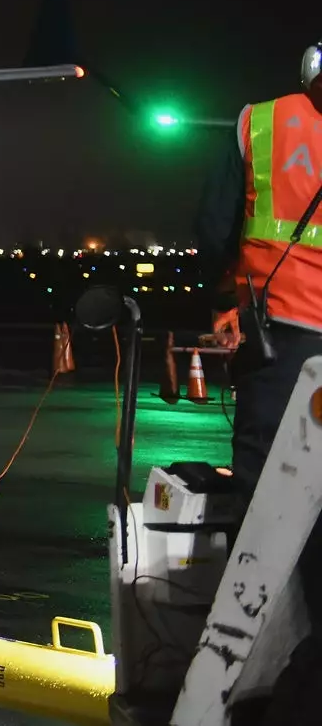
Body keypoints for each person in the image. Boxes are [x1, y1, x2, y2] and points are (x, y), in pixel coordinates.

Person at [196, 43, 322, 623]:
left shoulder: (262, 122)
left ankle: (248, 647)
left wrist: (223, 304)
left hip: (279, 338)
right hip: (283, 332)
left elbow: (215, 227)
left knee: (265, 495)